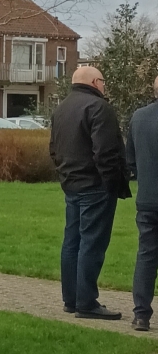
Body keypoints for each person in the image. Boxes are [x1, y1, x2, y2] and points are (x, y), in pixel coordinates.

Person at [50, 63, 130, 321]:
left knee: (72, 241)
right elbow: (105, 151)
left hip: (71, 184)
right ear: (95, 83)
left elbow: (54, 148)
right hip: (95, 186)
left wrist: (65, 173)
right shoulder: (99, 107)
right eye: (103, 81)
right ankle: (86, 302)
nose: (104, 86)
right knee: (92, 243)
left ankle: (71, 299)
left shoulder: (61, 108)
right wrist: (111, 183)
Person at [126, 76, 158, 332]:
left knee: (146, 255)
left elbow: (131, 160)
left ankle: (141, 315)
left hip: (147, 198)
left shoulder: (138, 117)